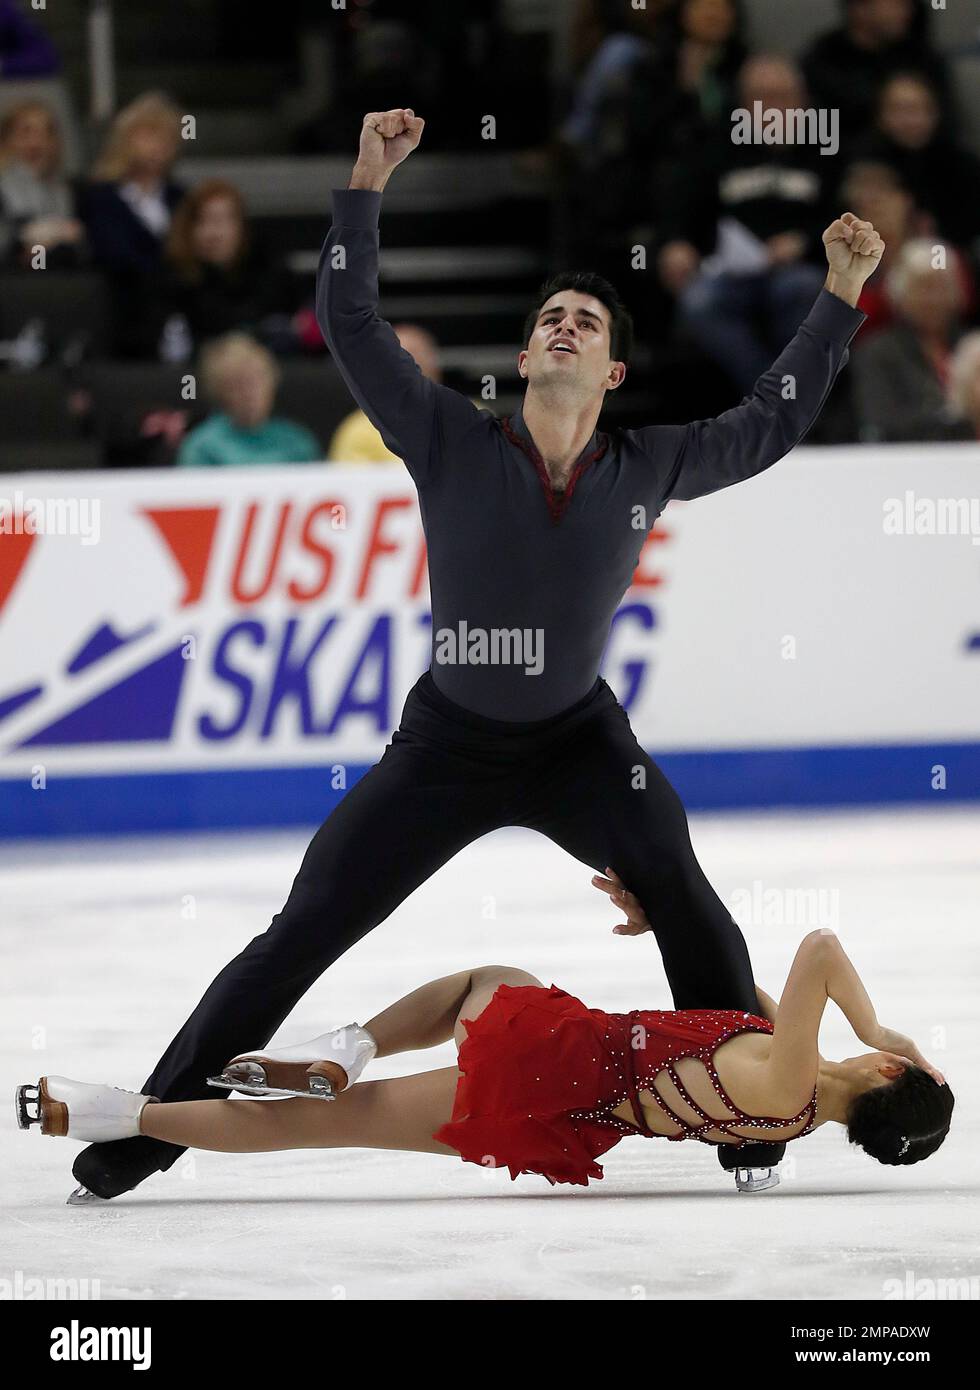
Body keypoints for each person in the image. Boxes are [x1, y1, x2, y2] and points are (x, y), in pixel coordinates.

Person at [69, 107, 883, 1204]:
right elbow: (353, 325)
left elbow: (769, 421)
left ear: (613, 370)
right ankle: (155, 1126)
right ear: (520, 353)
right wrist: (365, 183)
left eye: (585, 321)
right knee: (302, 929)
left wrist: (835, 296)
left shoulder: (650, 461)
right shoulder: (451, 434)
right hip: (444, 745)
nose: (562, 325)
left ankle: (743, 1116)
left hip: (579, 744)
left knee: (687, 898)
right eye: (548, 315)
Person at [19, 904, 953, 1190]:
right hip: (557, 1119)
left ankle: (356, 1039)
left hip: (567, 1051)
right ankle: (112, 1112)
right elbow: (736, 1000)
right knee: (316, 1128)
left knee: (479, 982)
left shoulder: (796, 1072)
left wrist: (881, 1029)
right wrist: (663, 910)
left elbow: (820, 951)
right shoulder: (782, 1105)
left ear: (886, 1074)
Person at [656, 55, 832, 396]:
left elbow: (847, 211)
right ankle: (771, 397)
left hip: (799, 267)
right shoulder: (717, 147)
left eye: (784, 96)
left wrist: (805, 241)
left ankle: (780, 403)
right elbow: (682, 206)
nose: (774, 107)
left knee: (801, 292)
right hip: (731, 270)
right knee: (698, 303)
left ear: (804, 100)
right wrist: (676, 243)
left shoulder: (827, 147)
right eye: (762, 97)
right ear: (743, 103)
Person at [851, 239, 967, 442]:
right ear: (900, 293)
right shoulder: (877, 352)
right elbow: (880, 423)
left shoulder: (971, 345)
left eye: (942, 287)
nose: (934, 299)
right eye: (924, 288)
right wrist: (955, 422)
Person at [176, 333, 321, 467]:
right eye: (239, 384)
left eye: (258, 380)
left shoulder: (297, 441)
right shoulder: (202, 447)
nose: (250, 393)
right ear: (218, 389)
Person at [327, 322, 442, 463]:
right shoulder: (357, 431)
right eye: (398, 355)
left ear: (436, 364)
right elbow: (352, 483)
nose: (411, 365)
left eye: (417, 354)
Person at [0, 99, 85, 266]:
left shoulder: (73, 190)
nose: (36, 142)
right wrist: (24, 238)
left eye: (46, 133)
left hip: (63, 281)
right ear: (7, 140)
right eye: (26, 132)